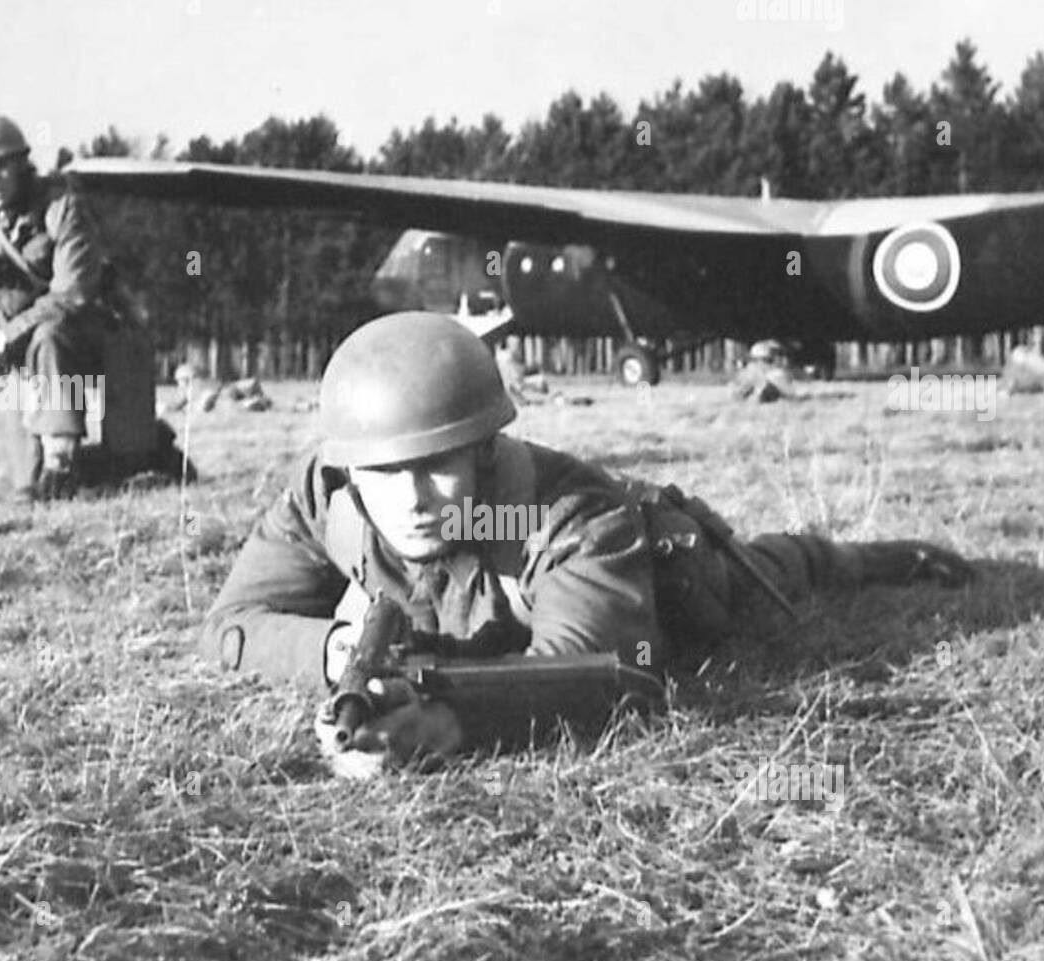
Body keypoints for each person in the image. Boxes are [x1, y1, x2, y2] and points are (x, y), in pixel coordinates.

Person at [202, 312, 970, 777]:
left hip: (664, 578)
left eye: (434, 466)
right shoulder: (325, 486)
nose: (409, 500)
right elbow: (234, 624)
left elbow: (607, 673)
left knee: (757, 576)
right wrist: (334, 653)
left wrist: (445, 721)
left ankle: (880, 556)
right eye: (383, 473)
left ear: (479, 446)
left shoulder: (574, 516)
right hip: (461, 631)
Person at [0, 113, 171, 499]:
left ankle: (68, 456)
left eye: (1, 165)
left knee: (128, 465)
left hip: (95, 330)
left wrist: (5, 336)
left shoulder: (61, 207)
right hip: (21, 346)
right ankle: (78, 465)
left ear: (21, 162)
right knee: (26, 482)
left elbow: (72, 294)